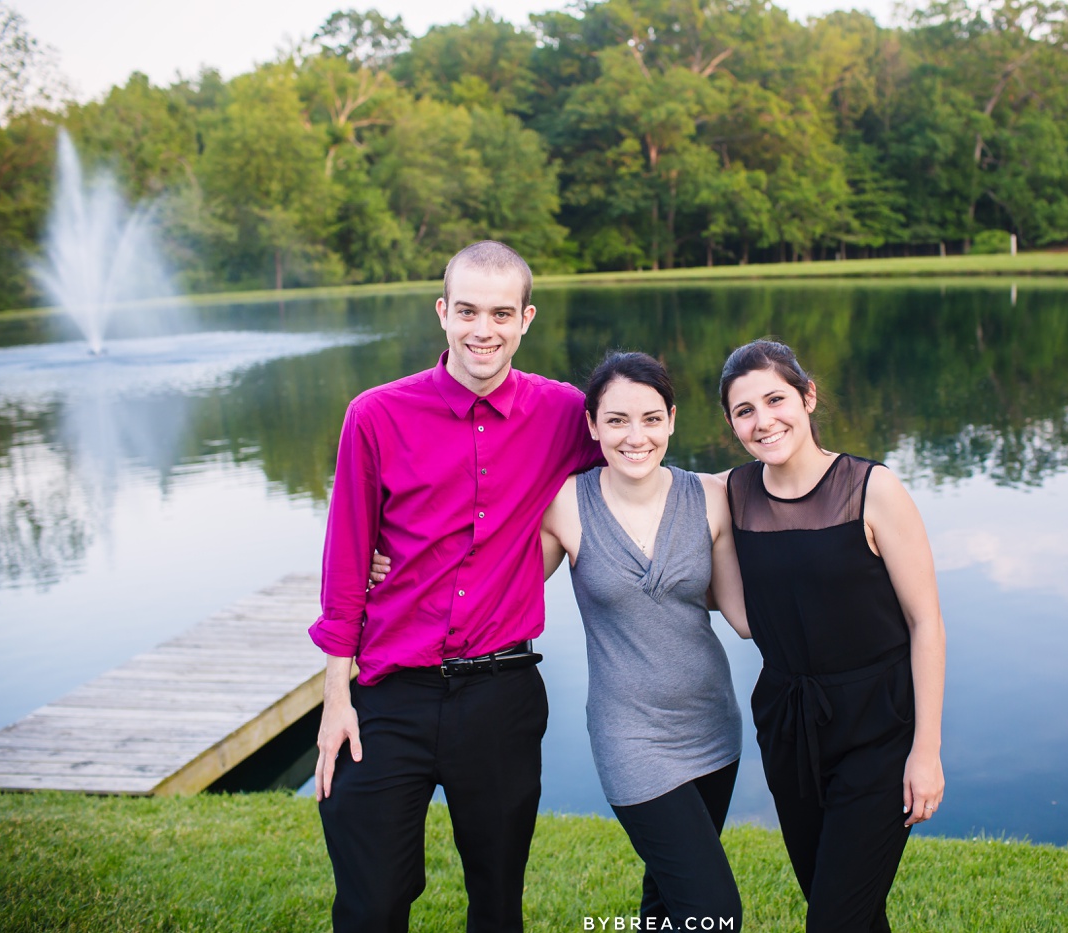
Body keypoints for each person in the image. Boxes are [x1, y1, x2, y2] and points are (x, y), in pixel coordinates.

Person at [374, 351, 751, 930]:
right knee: (714, 910)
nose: (636, 437)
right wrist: (388, 567)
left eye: (651, 419)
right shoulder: (567, 505)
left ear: (672, 420)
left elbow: (743, 616)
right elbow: (491, 574)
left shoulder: (711, 496)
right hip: (632, 737)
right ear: (592, 426)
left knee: (669, 900)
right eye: (617, 420)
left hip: (713, 726)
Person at [307, 240, 602, 933]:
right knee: (372, 902)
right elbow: (346, 563)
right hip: (390, 694)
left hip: (501, 694)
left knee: (497, 904)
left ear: (525, 319)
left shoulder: (565, 414)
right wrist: (336, 698)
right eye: (467, 311)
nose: (483, 330)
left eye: (501, 314)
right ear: (442, 312)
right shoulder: (375, 415)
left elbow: (637, 462)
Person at [718, 338, 946, 933]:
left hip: (878, 727)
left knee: (834, 920)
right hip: (788, 725)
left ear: (808, 397)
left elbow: (926, 623)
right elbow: (645, 484)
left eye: (776, 400)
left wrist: (926, 751)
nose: (764, 421)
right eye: (745, 410)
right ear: (732, 424)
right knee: (848, 908)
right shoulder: (731, 494)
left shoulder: (872, 489)